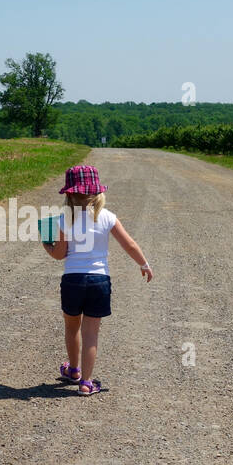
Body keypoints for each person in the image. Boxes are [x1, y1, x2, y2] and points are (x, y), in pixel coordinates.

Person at [41, 165, 152, 395]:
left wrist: (46, 244)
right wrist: (144, 264)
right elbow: (129, 244)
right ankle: (87, 383)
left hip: (72, 280)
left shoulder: (62, 220)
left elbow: (59, 254)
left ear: (69, 194)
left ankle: (73, 370)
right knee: (91, 333)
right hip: (99, 281)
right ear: (97, 192)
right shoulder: (107, 217)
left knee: (72, 329)